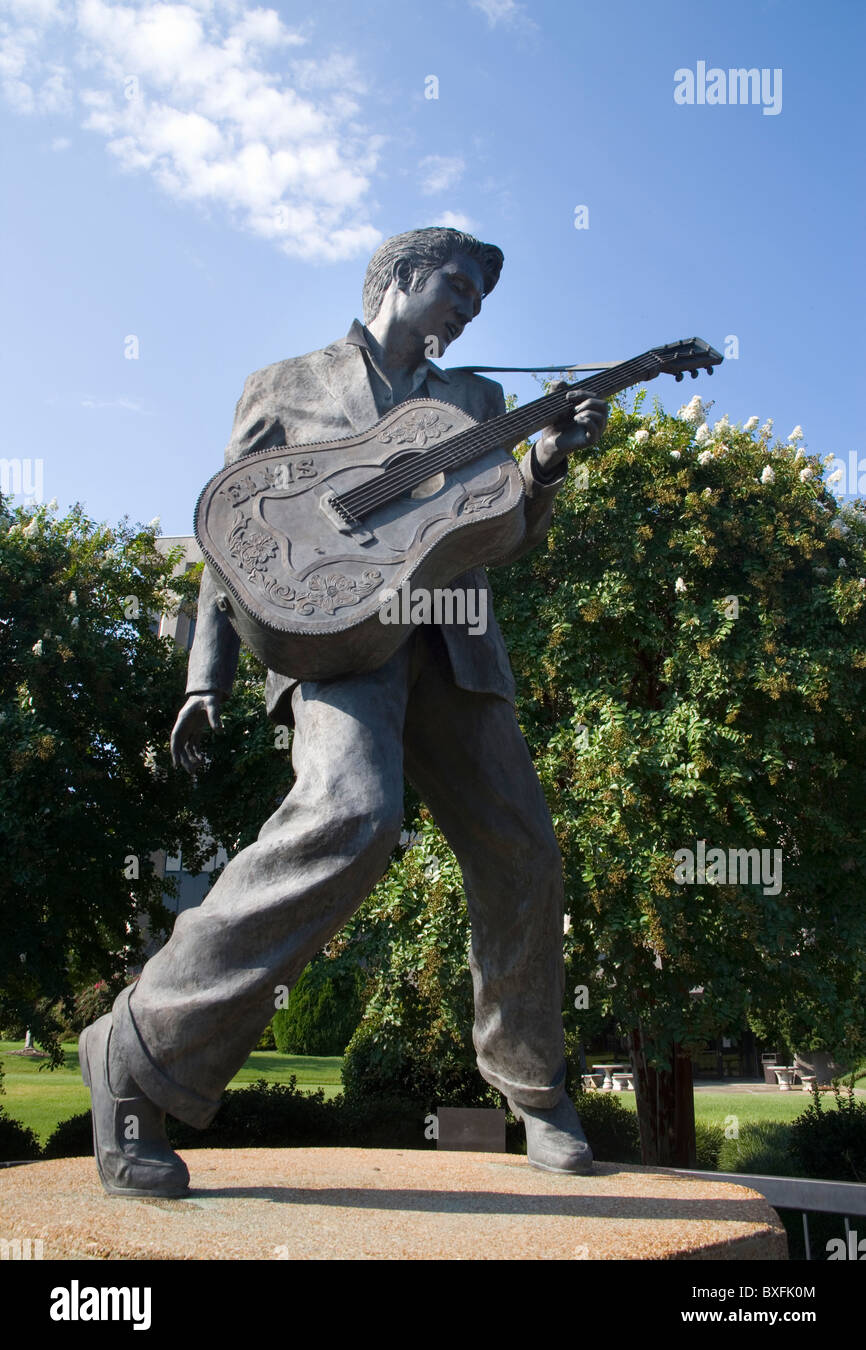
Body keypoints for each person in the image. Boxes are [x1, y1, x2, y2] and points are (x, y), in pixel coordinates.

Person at [79, 227, 608, 1197]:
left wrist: (543, 469)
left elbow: (499, 533)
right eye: (457, 286)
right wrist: (205, 679)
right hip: (334, 641)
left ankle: (534, 1085)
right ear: (400, 276)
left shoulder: (478, 402)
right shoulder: (283, 385)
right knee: (352, 816)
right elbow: (232, 531)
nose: (469, 310)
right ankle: (136, 1052)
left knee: (523, 851)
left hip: (454, 642)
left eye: (480, 301)